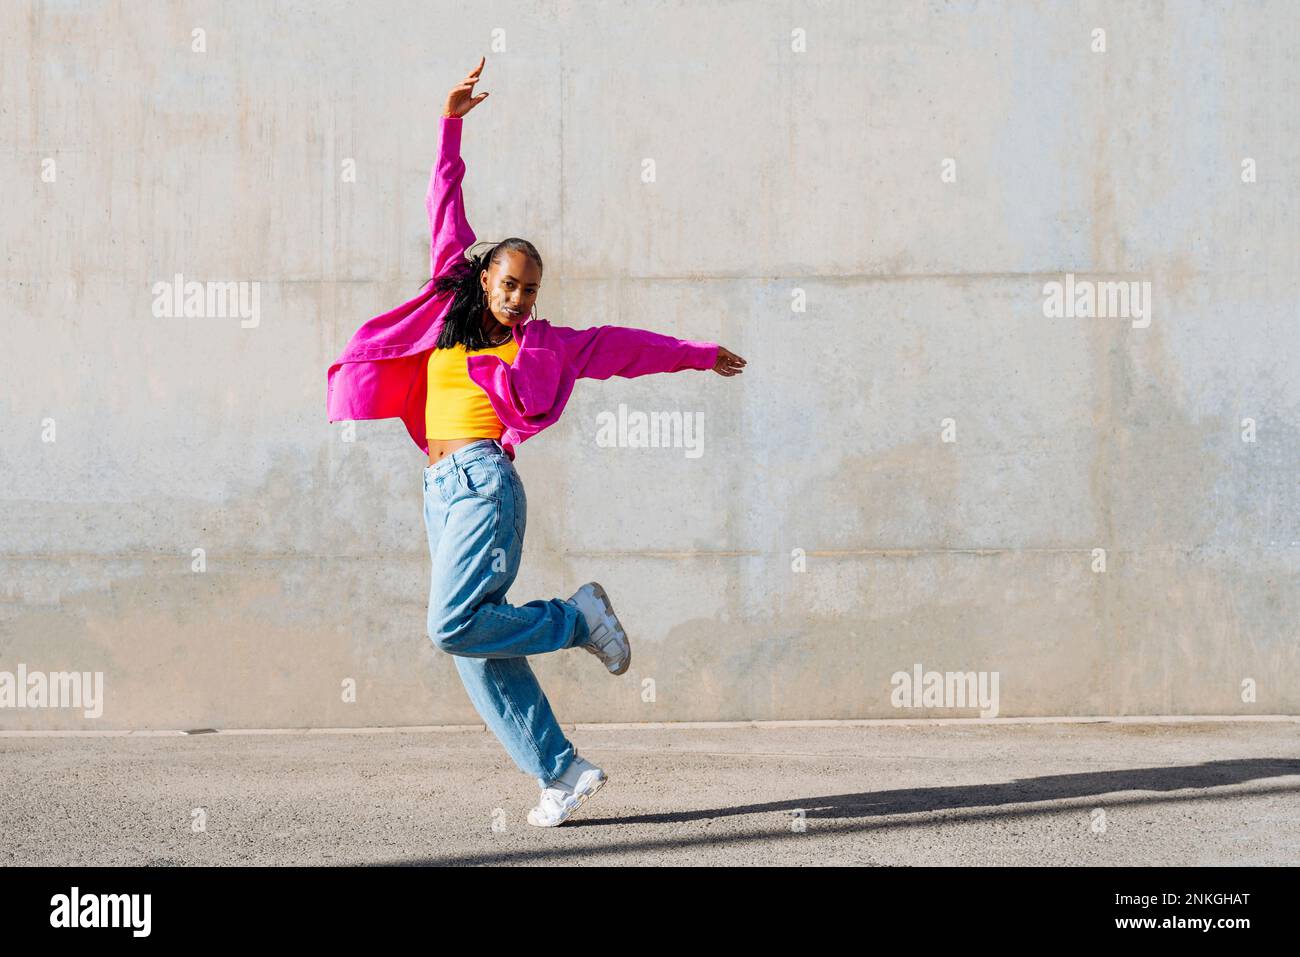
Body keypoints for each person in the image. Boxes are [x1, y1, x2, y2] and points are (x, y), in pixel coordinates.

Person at [327, 57, 746, 827]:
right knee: (475, 646)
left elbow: (621, 347)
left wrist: (692, 352)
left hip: (484, 485)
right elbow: (444, 202)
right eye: (511, 285)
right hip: (438, 490)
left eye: (531, 291)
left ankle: (575, 618)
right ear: (486, 277)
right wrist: (450, 123)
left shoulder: (542, 346)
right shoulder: (451, 300)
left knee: (450, 624)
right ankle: (561, 769)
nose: (521, 300)